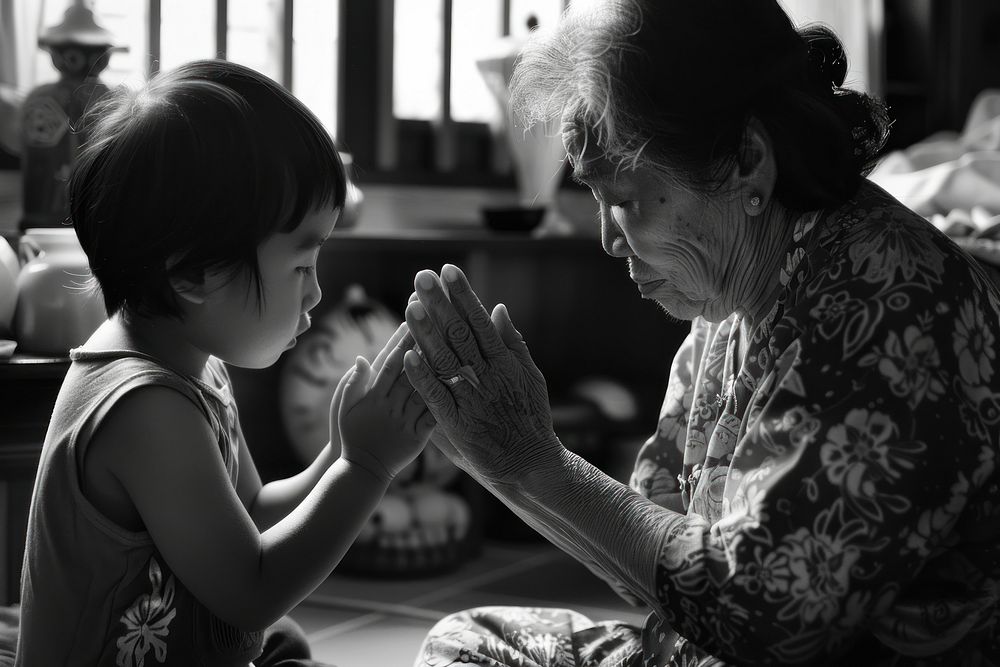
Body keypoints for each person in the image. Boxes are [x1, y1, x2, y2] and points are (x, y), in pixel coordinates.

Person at [397, 0, 1000, 664]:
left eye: (624, 198)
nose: (606, 237)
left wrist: (537, 464)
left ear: (747, 160)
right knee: (467, 642)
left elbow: (768, 622)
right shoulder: (729, 301)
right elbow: (666, 578)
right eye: (595, 198)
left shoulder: (889, 307)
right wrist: (502, 464)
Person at [15, 60, 435, 666]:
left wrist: (340, 453)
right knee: (277, 631)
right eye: (300, 266)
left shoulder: (193, 364)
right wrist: (367, 466)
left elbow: (253, 515)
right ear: (193, 273)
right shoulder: (143, 408)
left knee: (284, 643)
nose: (316, 292)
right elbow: (252, 588)